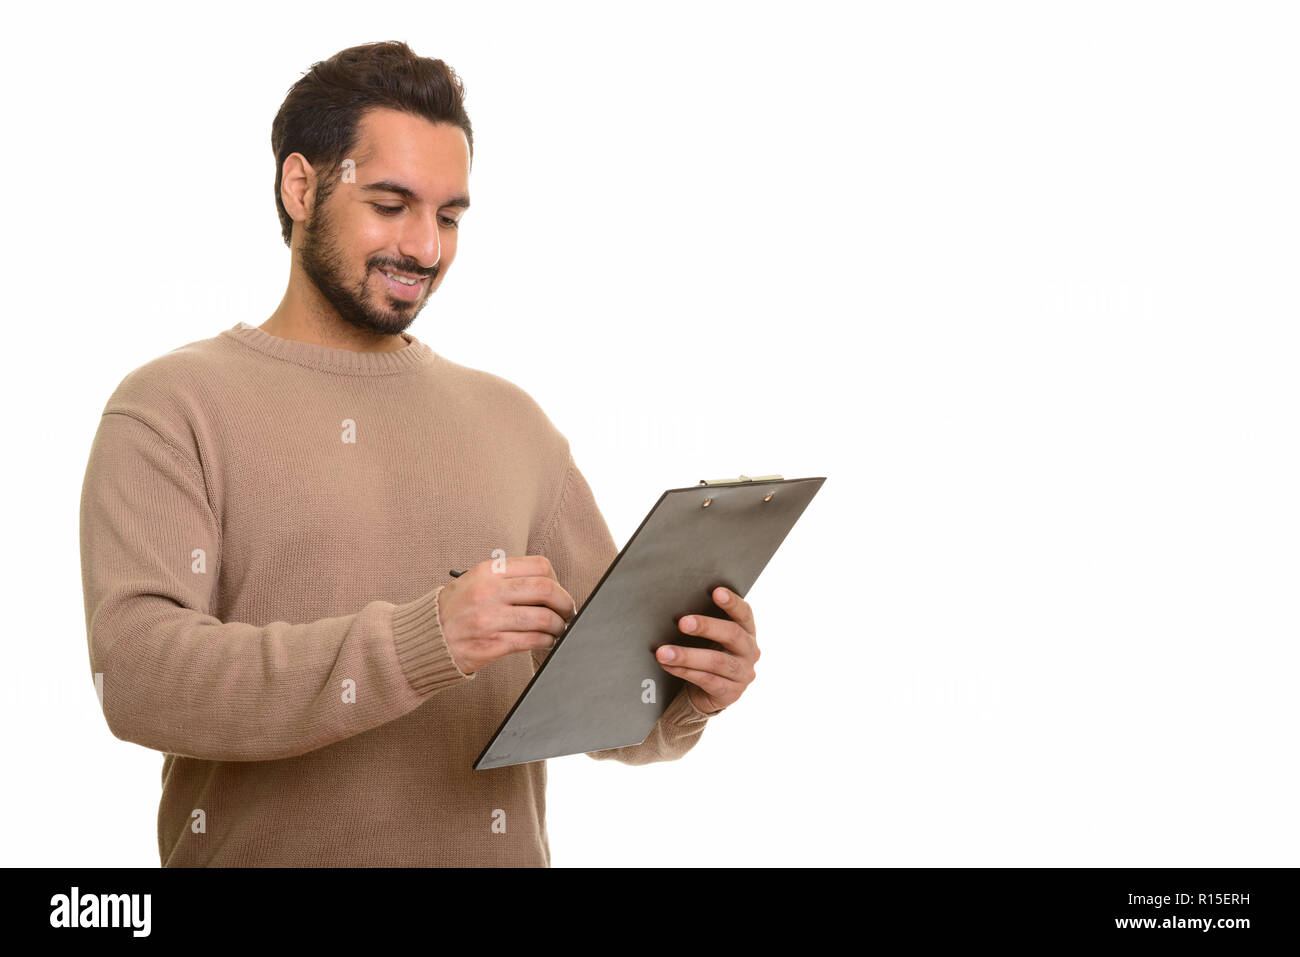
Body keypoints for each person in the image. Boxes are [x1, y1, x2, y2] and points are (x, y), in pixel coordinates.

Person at [78, 41, 760, 867]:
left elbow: (608, 703)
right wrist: (420, 640)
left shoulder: (515, 423)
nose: (426, 249)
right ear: (302, 187)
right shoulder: (170, 406)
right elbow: (141, 679)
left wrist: (687, 685)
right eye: (392, 204)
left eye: (449, 216)